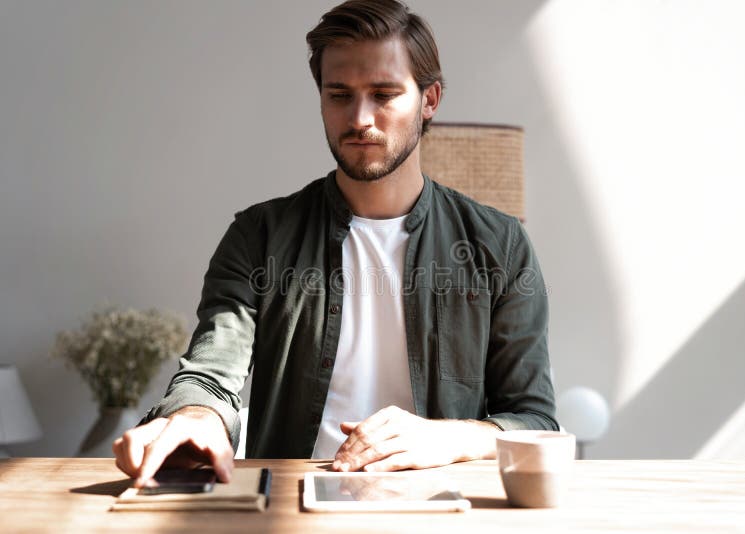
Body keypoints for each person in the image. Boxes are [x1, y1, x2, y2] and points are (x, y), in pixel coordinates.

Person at [113, 0, 557, 487]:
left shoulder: (501, 245)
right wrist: (197, 417)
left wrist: (446, 437)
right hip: (290, 503)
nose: (359, 117)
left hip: (441, 504)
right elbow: (210, 373)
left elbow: (535, 420)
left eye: (383, 94)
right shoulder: (259, 236)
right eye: (339, 94)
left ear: (429, 99)